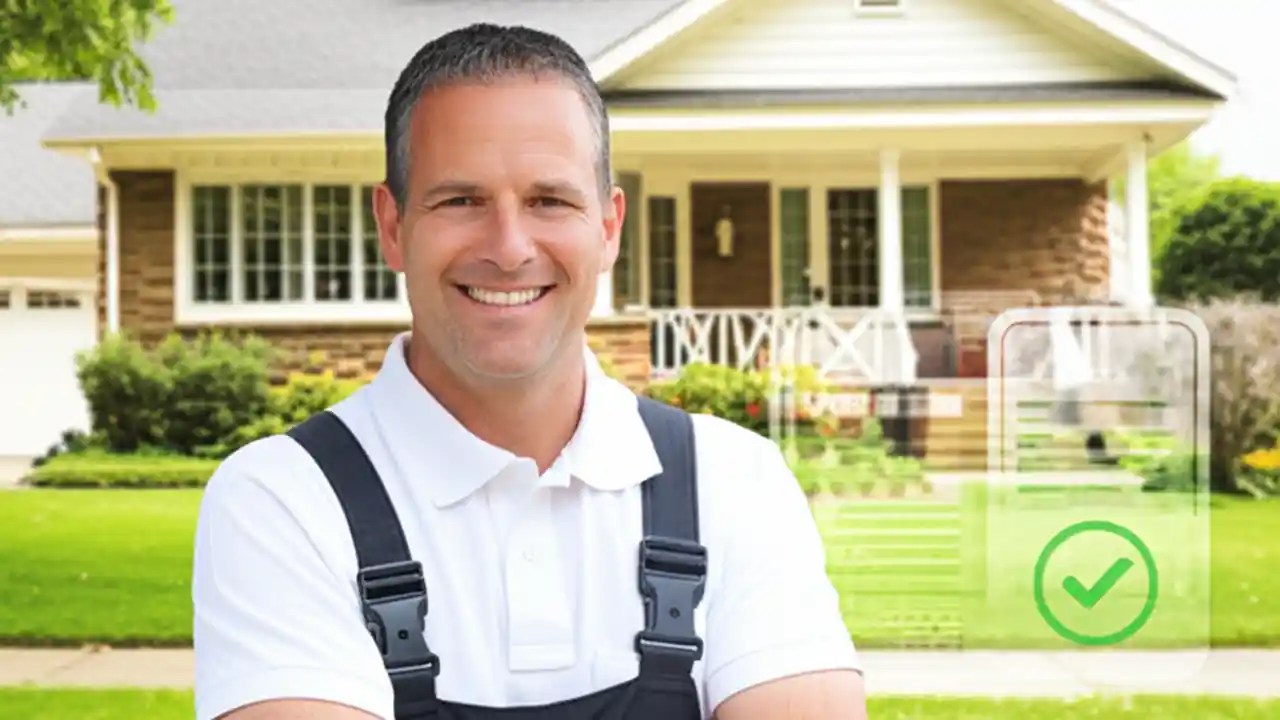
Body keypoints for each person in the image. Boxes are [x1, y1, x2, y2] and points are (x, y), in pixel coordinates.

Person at [191, 22, 866, 720]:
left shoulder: (734, 483)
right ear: (392, 226)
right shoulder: (284, 501)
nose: (510, 249)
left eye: (549, 200)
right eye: (462, 201)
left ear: (608, 227)